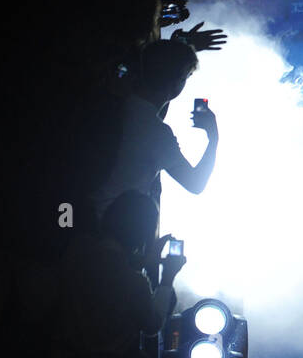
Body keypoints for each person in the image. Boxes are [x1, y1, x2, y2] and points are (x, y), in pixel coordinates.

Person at [92, 39, 218, 221]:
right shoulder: (158, 135)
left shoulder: (115, 101)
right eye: (186, 77)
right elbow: (196, 183)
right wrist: (213, 138)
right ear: (178, 82)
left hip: (80, 209)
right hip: (107, 227)